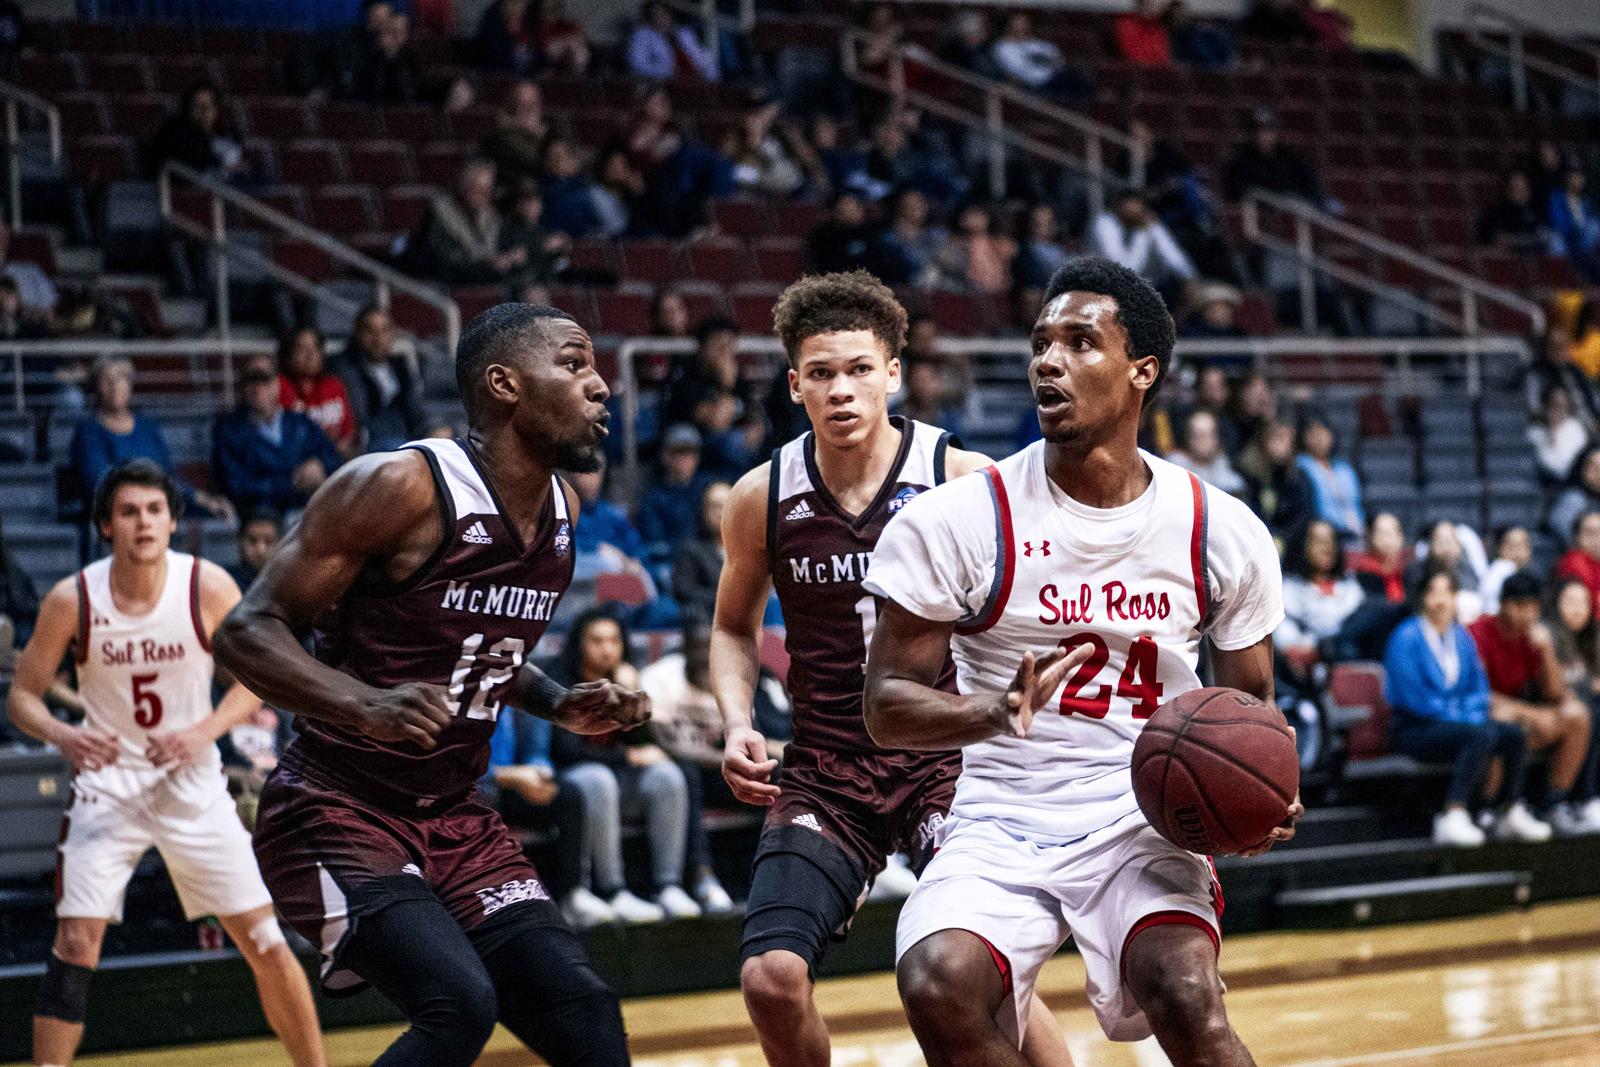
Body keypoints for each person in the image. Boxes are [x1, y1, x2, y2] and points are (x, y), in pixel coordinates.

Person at [860, 257, 1296, 1065]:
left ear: (1143, 371)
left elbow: (1251, 711)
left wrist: (1264, 797)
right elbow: (885, 705)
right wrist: (990, 712)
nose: (1049, 360)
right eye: (1041, 342)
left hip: (1144, 815)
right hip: (1001, 814)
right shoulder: (959, 519)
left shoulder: (1217, 527)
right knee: (935, 979)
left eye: (1079, 341)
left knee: (1189, 993)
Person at [215, 303, 644, 1066]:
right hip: (334, 804)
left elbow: (476, 645)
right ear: (504, 383)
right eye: (575, 364)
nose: (600, 384)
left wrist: (557, 699)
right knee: (459, 1004)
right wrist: (364, 703)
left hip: (456, 819)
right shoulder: (399, 484)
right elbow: (246, 630)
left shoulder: (564, 512)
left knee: (588, 1015)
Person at [712, 270, 1074, 1067]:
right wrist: (738, 723)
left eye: (859, 369)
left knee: (979, 971)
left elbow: (1033, 612)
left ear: (893, 374)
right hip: (826, 769)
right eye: (821, 373)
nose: (841, 390)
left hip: (944, 762)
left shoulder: (959, 477)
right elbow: (734, 627)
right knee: (772, 979)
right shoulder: (760, 495)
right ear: (794, 383)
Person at [7, 460, 326, 1067]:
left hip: (194, 784)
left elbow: (260, 678)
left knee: (263, 938)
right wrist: (64, 736)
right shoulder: (70, 599)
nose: (143, 523)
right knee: (76, 941)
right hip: (108, 787)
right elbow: (22, 696)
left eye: (154, 511)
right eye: (128, 512)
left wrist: (202, 730)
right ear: (106, 526)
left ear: (174, 521)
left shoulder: (206, 586)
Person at [546, 607, 698, 924]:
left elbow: (649, 743)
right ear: (579, 644)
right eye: (597, 641)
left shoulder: (623, 678)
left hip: (619, 782)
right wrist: (625, 758)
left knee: (667, 775)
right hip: (574, 782)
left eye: (614, 640)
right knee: (599, 778)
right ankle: (613, 889)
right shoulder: (560, 681)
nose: (607, 649)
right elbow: (566, 750)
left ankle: (668, 885)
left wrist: (634, 693)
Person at [1385, 564, 1527, 847]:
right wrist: (1462, 716)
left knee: (1514, 734)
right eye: (1433, 592)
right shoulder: (1405, 636)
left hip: (1456, 723)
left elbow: (1479, 689)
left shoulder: (1461, 637)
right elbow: (1415, 699)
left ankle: (1507, 810)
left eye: (1448, 592)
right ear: (1422, 597)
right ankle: (1453, 814)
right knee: (1479, 733)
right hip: (1414, 727)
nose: (1441, 599)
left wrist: (1465, 715)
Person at [1468, 572, 1594, 837]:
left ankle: (1554, 803)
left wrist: (1547, 651)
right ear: (1503, 604)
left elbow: (1556, 694)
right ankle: (1488, 808)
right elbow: (1477, 695)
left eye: (1534, 608)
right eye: (1520, 606)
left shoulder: (1535, 636)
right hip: (1485, 710)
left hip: (1526, 712)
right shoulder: (1478, 633)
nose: (1527, 615)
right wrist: (1533, 715)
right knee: (1502, 721)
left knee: (1577, 715)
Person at [636, 622, 739, 915]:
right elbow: (660, 741)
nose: (704, 655)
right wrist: (715, 759)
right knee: (685, 772)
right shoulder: (661, 677)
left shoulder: (730, 678)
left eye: (712, 648)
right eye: (697, 647)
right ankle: (702, 877)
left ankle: (786, 870)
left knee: (777, 774)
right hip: (682, 773)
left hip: (720, 771)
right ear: (683, 648)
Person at [70, 355, 234, 520]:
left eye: (122, 379)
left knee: (215, 514)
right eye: (107, 380)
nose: (115, 386)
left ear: (130, 385)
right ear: (96, 386)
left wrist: (204, 499)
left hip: (157, 504)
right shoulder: (88, 432)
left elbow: (167, 475)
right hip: (119, 514)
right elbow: (99, 483)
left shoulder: (147, 426)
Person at [212, 366, 342, 514]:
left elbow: (333, 459)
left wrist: (320, 465)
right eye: (251, 382)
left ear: (277, 385)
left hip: (307, 511)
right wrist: (290, 483)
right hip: (257, 516)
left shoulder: (301, 423)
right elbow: (235, 485)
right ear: (243, 388)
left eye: (265, 381)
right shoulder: (228, 430)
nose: (258, 390)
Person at [409, 159, 526, 286]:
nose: (484, 196)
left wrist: (512, 256)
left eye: (487, 190)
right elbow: (446, 261)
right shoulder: (439, 214)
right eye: (478, 189)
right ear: (466, 186)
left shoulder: (490, 216)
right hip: (450, 284)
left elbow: (508, 245)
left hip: (485, 282)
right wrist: (488, 265)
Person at [332, 306, 426, 454]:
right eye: (370, 331)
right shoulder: (346, 367)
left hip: (407, 434)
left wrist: (430, 431)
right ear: (358, 334)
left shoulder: (400, 366)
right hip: (370, 439)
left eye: (384, 331)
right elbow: (358, 413)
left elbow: (415, 409)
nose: (378, 338)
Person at [1546, 577, 1600, 831]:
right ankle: (1584, 798)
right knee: (1593, 714)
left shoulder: (1592, 637)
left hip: (1582, 704)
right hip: (1550, 705)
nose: (1578, 609)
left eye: (1583, 603)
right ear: (1556, 604)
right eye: (1570, 601)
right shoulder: (1547, 634)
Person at [1276, 519, 1364, 664]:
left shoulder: (1352, 587)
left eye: (1331, 541)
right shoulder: (1289, 591)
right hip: (1311, 667)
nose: (1327, 548)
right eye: (1319, 541)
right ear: (1303, 545)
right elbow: (1286, 640)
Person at [1089, 191, 1196, 302]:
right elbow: (1125, 270)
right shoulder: (1104, 224)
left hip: (1145, 288)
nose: (1135, 211)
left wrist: (1188, 276)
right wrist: (1141, 232)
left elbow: (1171, 253)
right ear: (1118, 206)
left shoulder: (1144, 222)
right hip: (1106, 289)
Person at [637, 424, 714, 566]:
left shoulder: (708, 489)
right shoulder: (654, 498)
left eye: (690, 453)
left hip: (708, 559)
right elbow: (655, 543)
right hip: (672, 563)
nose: (684, 459)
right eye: (678, 452)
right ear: (665, 456)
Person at [143, 81, 249, 181]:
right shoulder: (174, 133)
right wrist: (222, 166)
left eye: (209, 105)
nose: (204, 111)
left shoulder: (229, 134)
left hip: (231, 192)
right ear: (188, 108)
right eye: (198, 106)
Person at [277, 327, 357, 458]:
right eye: (302, 349)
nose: (311, 355)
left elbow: (349, 430)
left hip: (337, 458)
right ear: (288, 355)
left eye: (316, 347)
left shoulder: (334, 385)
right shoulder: (279, 387)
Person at [989, 11, 1093, 101]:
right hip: (1034, 85)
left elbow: (1059, 61)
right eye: (1018, 23)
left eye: (1024, 23)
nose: (1022, 27)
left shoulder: (1040, 44)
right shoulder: (1002, 47)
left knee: (1082, 80)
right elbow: (1013, 71)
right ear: (1008, 25)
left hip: (1056, 79)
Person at [1295, 413, 1363, 541]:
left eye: (1322, 432)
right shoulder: (1300, 467)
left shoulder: (1344, 468)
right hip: (1323, 536)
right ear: (1303, 437)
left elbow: (1357, 504)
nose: (1318, 438)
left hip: (1355, 534)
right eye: (1312, 433)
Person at [672, 479, 730, 625]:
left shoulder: (749, 549)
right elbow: (683, 589)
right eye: (715, 507)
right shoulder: (692, 550)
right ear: (704, 511)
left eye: (726, 505)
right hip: (709, 618)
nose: (720, 512)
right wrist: (724, 598)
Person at [626, 0, 718, 82]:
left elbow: (703, 58)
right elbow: (637, 64)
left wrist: (709, 77)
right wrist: (668, 72)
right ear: (650, 17)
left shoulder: (684, 33)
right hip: (664, 84)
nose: (661, 18)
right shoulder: (642, 35)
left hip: (694, 83)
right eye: (656, 14)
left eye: (664, 13)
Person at [1167, 409, 1248, 496]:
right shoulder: (1175, 466)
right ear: (1189, 439)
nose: (1207, 441)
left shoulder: (1221, 462)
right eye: (1201, 435)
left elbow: (1235, 485)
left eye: (1211, 434)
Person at [1530, 382, 1590, 485]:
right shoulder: (1534, 433)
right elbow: (1553, 468)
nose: (1559, 409)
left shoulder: (1576, 428)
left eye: (1562, 405)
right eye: (1554, 405)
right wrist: (1552, 433)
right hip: (1549, 485)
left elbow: (1581, 463)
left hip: (1576, 483)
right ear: (1545, 405)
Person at [1349, 511, 1411, 604]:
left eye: (1391, 533)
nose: (1386, 540)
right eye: (1381, 533)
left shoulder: (1412, 571)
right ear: (1371, 538)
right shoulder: (1361, 573)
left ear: (1401, 537)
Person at [1477, 170, 1546, 252]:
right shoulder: (1496, 211)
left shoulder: (1535, 210)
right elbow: (1496, 237)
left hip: (1533, 253)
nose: (1521, 192)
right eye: (1517, 187)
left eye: (1524, 187)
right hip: (1506, 256)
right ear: (1508, 190)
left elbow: (1540, 234)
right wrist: (1517, 240)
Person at [1550, 447, 1600, 546]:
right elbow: (1568, 535)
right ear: (1582, 468)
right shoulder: (1572, 500)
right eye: (1594, 468)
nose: (1599, 473)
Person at [1480, 526, 1533, 616]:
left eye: (1523, 546)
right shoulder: (1502, 569)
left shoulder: (1530, 575)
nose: (1518, 552)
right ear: (1501, 548)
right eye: (1512, 546)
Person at [227, 507, 282, 591]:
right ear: (241, 542)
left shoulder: (288, 582)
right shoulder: (228, 581)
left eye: (268, 541)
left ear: (280, 543)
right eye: (252, 541)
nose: (260, 550)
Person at [1557, 511, 1600, 608]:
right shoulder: (1574, 563)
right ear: (1577, 537)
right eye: (1591, 533)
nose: (1597, 539)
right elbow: (1590, 607)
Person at [1114, 0, 1172, 67]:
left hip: (1157, 74)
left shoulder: (1158, 27)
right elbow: (1138, 62)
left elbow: (1165, 62)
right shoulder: (1126, 25)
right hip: (1137, 74)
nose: (1163, 2)